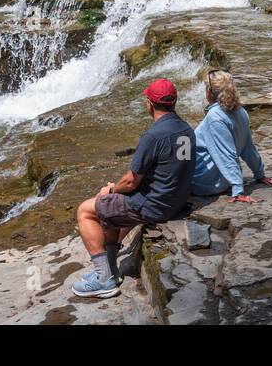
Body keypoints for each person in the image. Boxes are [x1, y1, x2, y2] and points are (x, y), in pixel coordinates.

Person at [72, 78, 195, 299]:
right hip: (176, 200)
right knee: (108, 206)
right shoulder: (187, 130)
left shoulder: (153, 136)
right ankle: (111, 269)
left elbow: (131, 182)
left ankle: (103, 279)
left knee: (86, 210)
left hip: (154, 206)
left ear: (149, 104)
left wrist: (110, 190)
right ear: (174, 102)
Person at [192, 70, 272, 203]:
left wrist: (238, 190)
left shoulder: (214, 118)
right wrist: (260, 174)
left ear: (208, 93)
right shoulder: (241, 111)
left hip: (204, 184)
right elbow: (249, 148)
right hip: (222, 181)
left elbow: (227, 154)